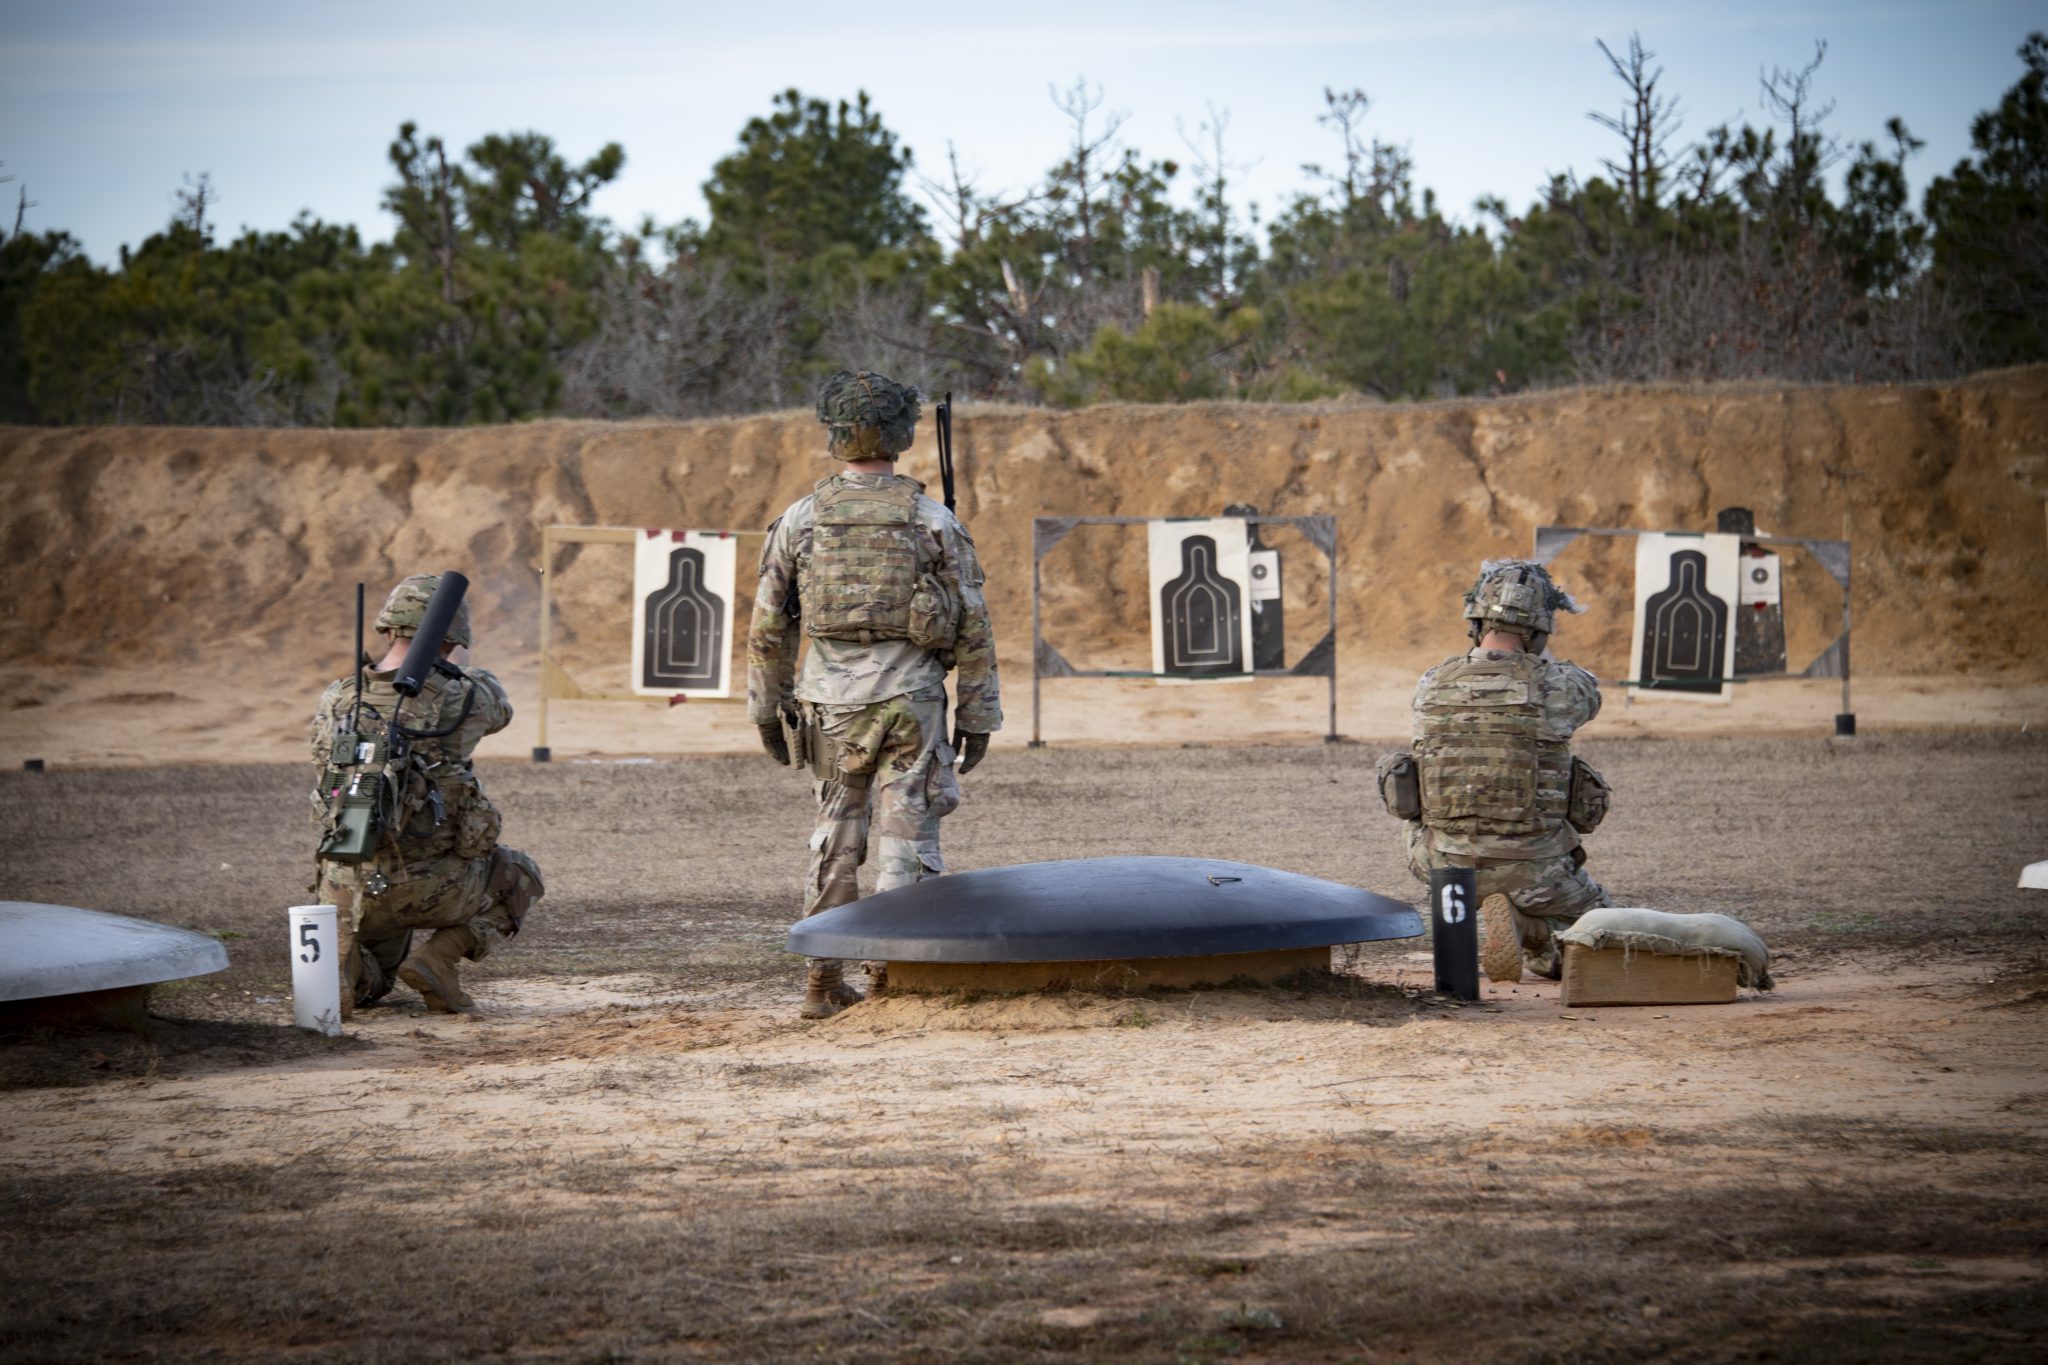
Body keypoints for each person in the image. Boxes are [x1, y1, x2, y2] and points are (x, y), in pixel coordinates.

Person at [748, 370, 1002, 1019]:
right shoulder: (931, 518)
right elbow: (973, 623)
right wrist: (977, 714)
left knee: (835, 832)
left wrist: (765, 708)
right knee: (906, 834)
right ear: (903, 433)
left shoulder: (802, 520)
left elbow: (769, 625)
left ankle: (822, 977)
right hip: (912, 698)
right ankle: (892, 974)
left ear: (835, 433)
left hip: (831, 704)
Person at [309, 574, 544, 1013]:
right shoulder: (466, 693)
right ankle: (439, 958)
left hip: (351, 890)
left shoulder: (337, 698)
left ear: (388, 626)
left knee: (370, 985)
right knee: (520, 874)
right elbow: (500, 711)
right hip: (437, 885)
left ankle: (343, 966)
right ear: (451, 637)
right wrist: (460, 662)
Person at [1376, 559, 1612, 982]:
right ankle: (1536, 932)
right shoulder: (1560, 686)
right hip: (1537, 871)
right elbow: (1587, 691)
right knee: (1602, 944)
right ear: (1539, 632)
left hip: (1442, 862)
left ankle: (1487, 928)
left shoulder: (1431, 682)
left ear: (1474, 620)